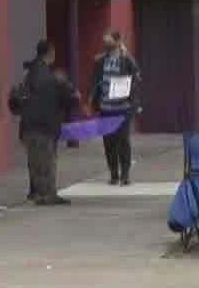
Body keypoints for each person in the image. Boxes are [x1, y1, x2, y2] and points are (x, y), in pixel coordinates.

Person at [15, 40, 80, 206]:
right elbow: (68, 99)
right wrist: (71, 91)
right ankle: (48, 195)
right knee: (47, 162)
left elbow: (19, 100)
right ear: (50, 52)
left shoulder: (29, 74)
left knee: (35, 163)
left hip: (28, 125)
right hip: (45, 126)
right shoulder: (51, 78)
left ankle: (37, 193)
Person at [91, 29, 140, 186]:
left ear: (118, 42)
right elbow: (95, 82)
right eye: (105, 42)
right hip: (105, 108)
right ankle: (114, 174)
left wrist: (133, 98)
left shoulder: (127, 60)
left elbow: (137, 79)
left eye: (110, 42)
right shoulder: (100, 61)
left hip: (122, 107)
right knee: (109, 142)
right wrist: (93, 101)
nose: (107, 45)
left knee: (123, 141)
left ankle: (125, 174)